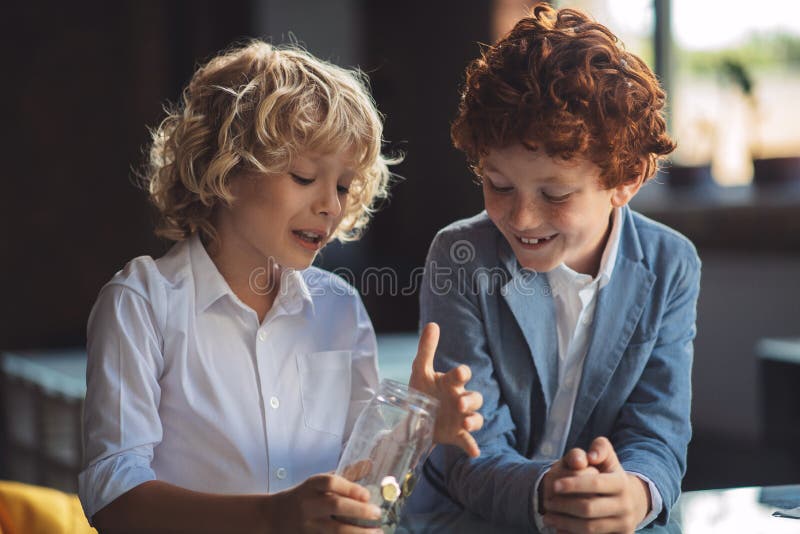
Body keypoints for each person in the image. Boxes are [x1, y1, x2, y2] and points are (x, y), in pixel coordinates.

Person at [78, 40, 484, 534]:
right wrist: (273, 517)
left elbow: (359, 486)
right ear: (225, 166)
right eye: (305, 176)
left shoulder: (341, 308)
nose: (331, 206)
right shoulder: (141, 302)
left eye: (342, 186)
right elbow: (113, 500)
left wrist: (416, 432)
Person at [410, 5, 700, 533]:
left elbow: (657, 432)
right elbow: (471, 450)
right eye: (498, 186)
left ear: (627, 177)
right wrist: (552, 493)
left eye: (555, 194)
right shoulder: (461, 256)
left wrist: (633, 493)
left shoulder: (670, 264)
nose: (520, 217)